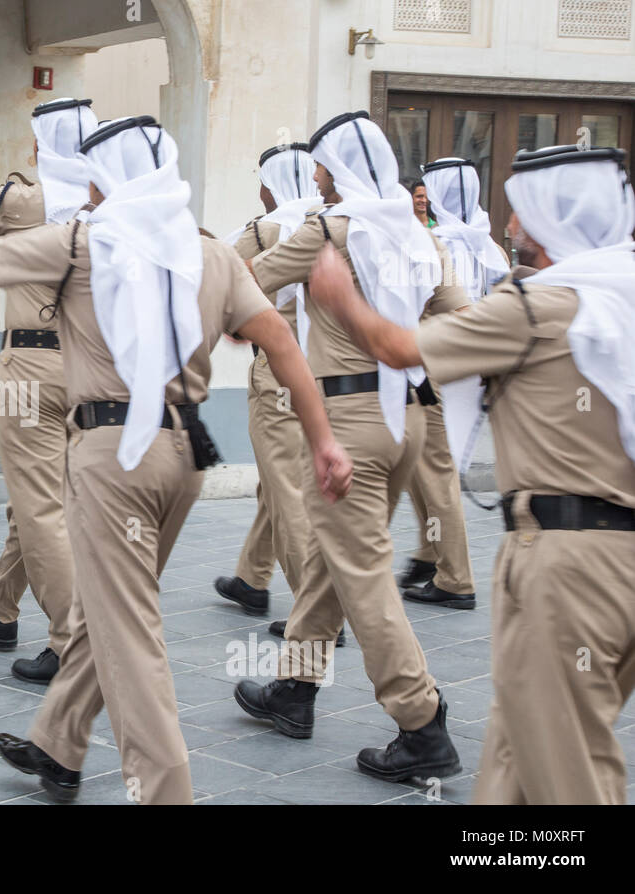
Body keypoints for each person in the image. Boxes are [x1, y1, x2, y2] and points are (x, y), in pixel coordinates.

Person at [0, 116, 352, 804]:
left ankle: (165, 791)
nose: (85, 185)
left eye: (92, 174)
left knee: (131, 633)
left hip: (115, 455)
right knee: (118, 607)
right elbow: (280, 345)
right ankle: (58, 742)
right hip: (187, 454)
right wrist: (323, 439)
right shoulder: (210, 254)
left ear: (109, 176)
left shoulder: (86, 241)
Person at [307, 143, 635, 804]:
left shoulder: (537, 307)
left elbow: (399, 346)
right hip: (619, 561)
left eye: (517, 213)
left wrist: (342, 296)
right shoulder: (619, 295)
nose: (507, 226)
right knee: (515, 754)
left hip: (567, 564)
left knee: (570, 773)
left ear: (546, 224)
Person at [232, 111, 467, 783]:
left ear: (336, 168)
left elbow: (253, 281)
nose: (314, 177)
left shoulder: (330, 230)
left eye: (321, 167)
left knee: (361, 569)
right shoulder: (419, 235)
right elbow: (456, 317)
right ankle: (294, 688)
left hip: (345, 419)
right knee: (344, 556)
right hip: (409, 418)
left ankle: (420, 721)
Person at [0, 97, 98, 685]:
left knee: (39, 506)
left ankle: (72, 642)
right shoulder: (106, 204)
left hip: (30, 365)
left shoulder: (21, 199)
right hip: (91, 366)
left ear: (41, 147)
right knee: (45, 497)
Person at [213, 143, 339, 644]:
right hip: (328, 373)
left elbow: (221, 281)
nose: (259, 189)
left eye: (261, 178)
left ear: (272, 182)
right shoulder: (329, 221)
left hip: (279, 374)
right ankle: (251, 577)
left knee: (287, 490)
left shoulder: (266, 230)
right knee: (280, 482)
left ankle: (318, 613)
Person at [393, 157, 510, 609]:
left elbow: (453, 311)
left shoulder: (428, 244)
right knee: (423, 471)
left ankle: (456, 577)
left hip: (435, 369)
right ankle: (430, 552)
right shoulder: (487, 244)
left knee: (435, 474)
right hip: (469, 366)